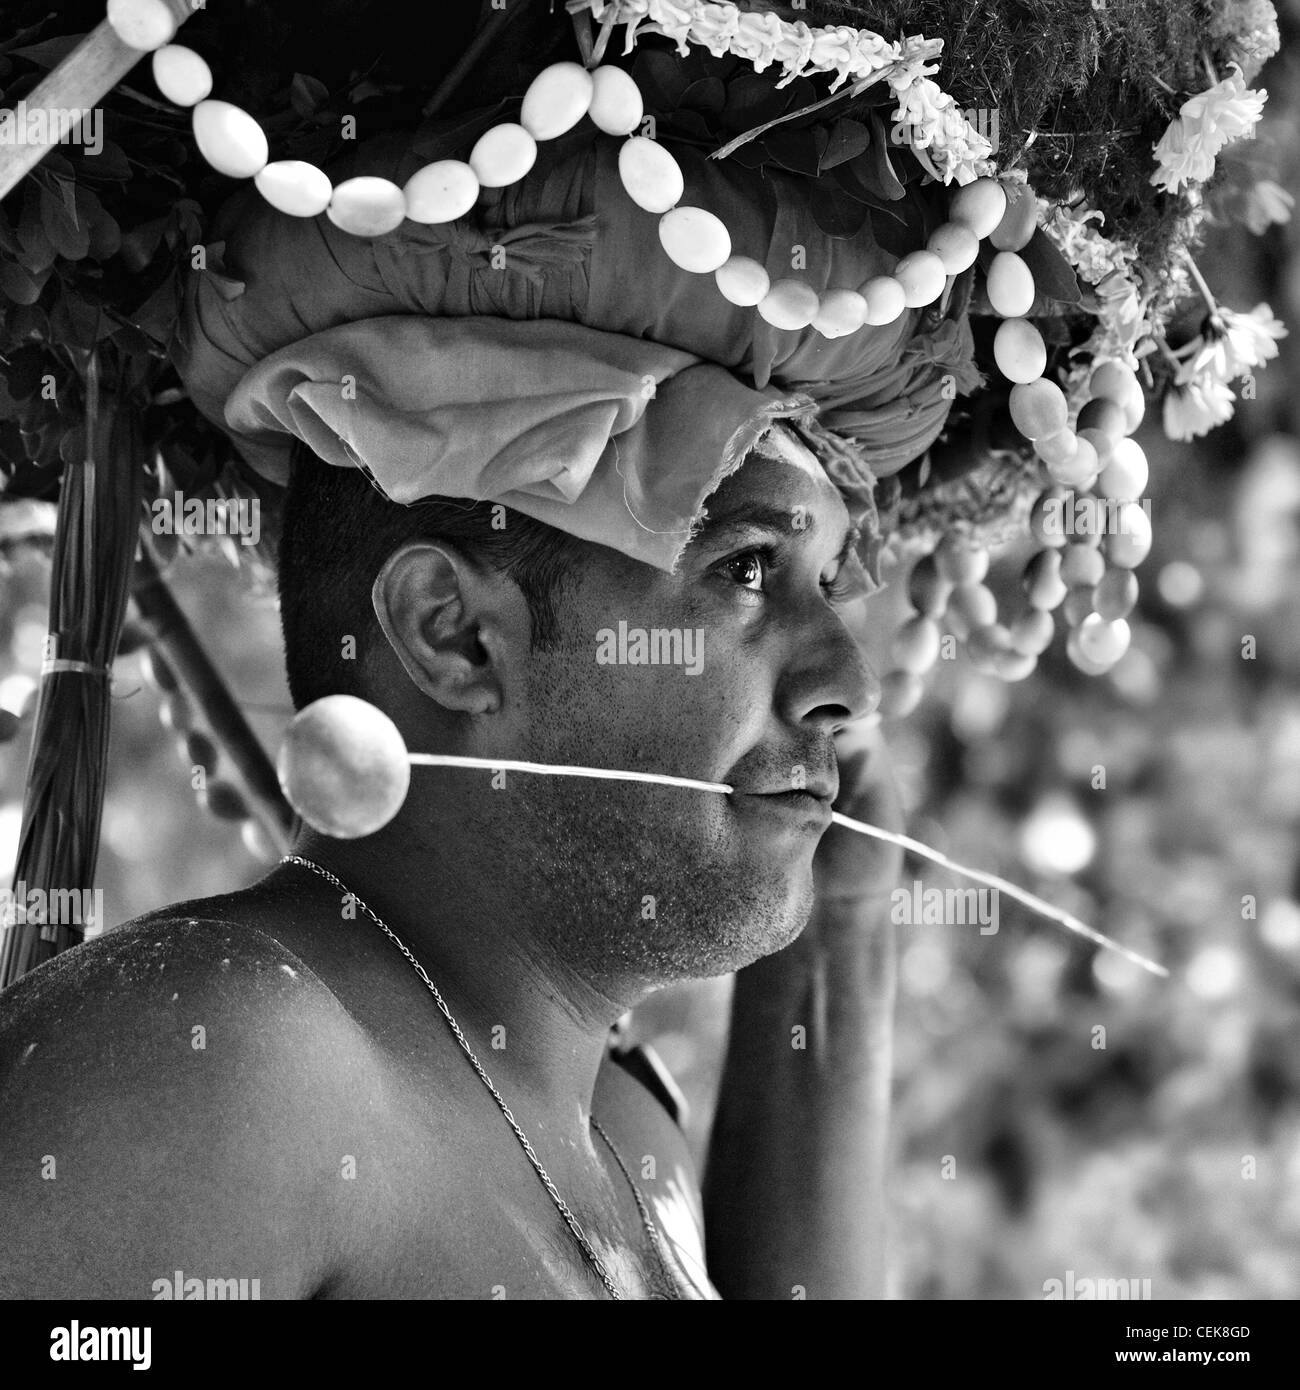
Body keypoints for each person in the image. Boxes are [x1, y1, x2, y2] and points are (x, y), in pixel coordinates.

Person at [0, 1, 977, 1300]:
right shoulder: (239, 1060)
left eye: (821, 578)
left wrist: (838, 917)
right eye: (746, 568)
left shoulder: (633, 1133)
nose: (846, 685)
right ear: (453, 635)